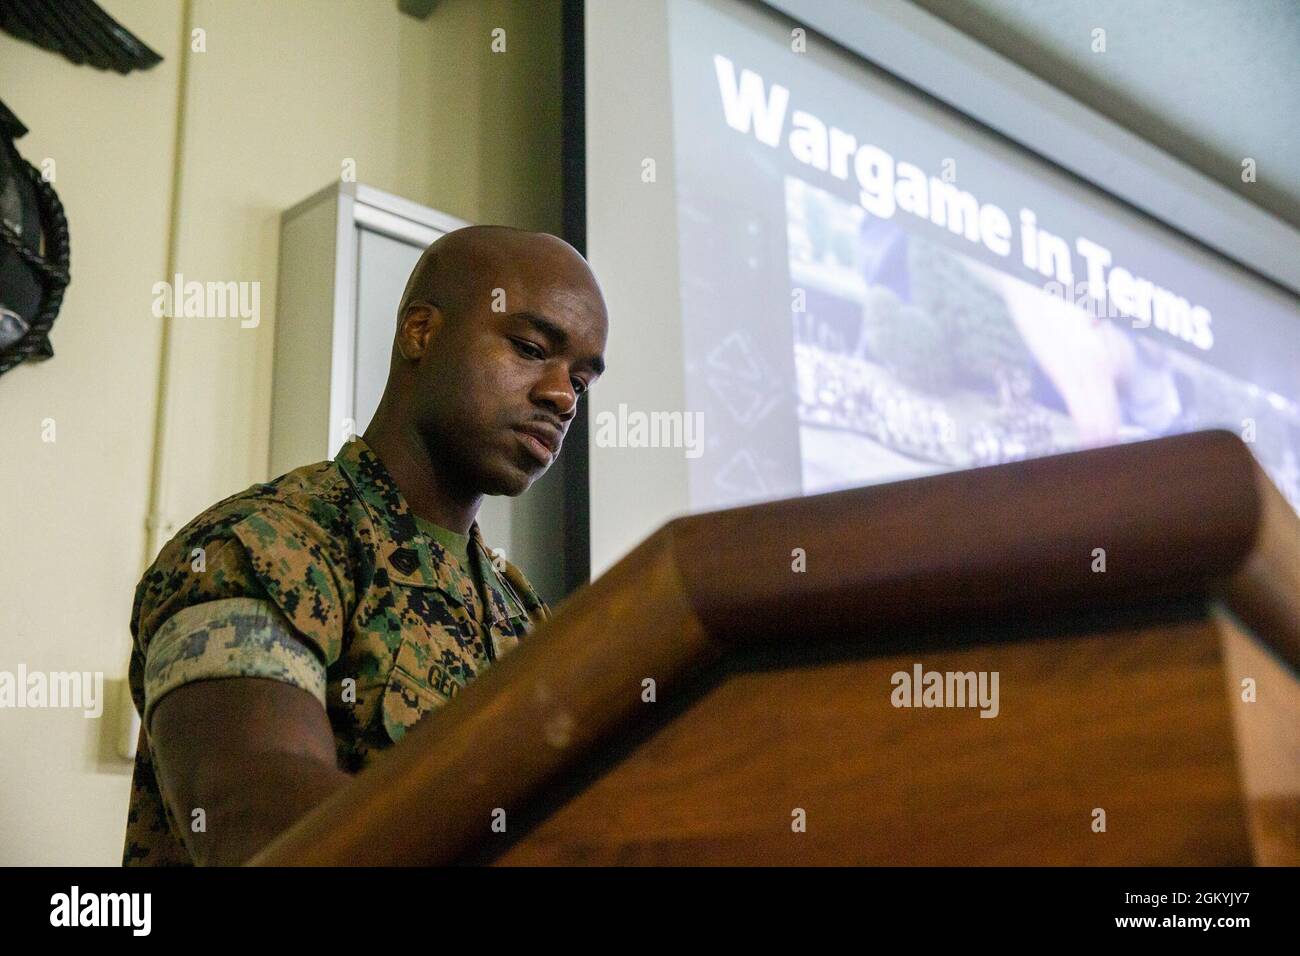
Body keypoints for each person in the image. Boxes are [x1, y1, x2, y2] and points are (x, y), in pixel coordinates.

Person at [122, 225, 608, 866]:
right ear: (420, 332)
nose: (561, 396)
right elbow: (257, 822)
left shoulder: (525, 616)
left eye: (582, 379)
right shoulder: (262, 547)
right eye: (528, 347)